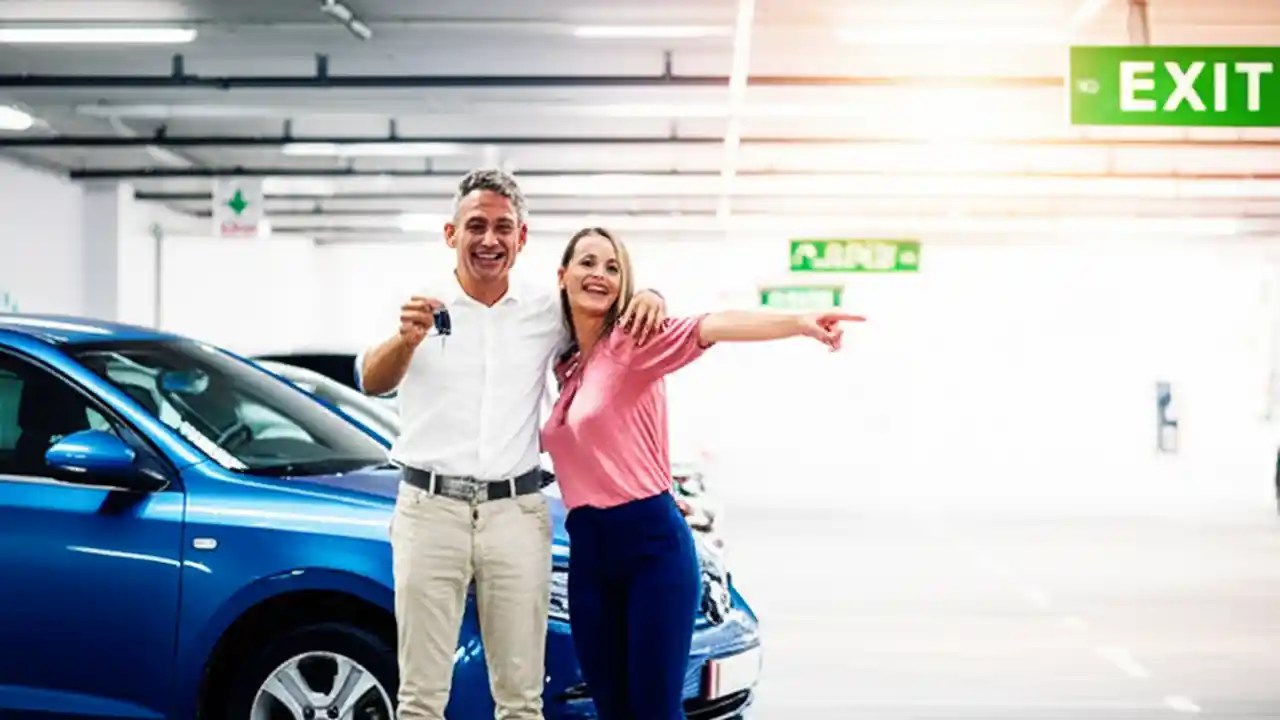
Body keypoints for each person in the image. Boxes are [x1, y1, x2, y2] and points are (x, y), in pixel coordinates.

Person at [357, 170, 668, 720]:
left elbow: (606, 316)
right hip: (429, 511)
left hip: (515, 513)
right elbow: (371, 380)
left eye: (503, 227)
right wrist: (405, 342)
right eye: (475, 225)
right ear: (450, 233)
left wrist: (650, 293)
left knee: (521, 698)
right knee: (421, 697)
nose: (489, 239)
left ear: (521, 239)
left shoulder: (547, 310)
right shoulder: (416, 302)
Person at [540, 227, 864, 720]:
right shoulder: (564, 366)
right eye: (588, 263)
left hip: (651, 551)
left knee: (655, 710)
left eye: (612, 267)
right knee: (611, 710)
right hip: (588, 556)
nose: (599, 275)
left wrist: (799, 321)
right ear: (563, 276)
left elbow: (714, 325)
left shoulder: (634, 340)